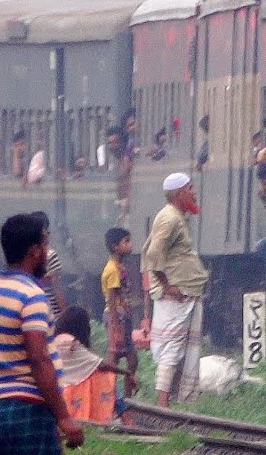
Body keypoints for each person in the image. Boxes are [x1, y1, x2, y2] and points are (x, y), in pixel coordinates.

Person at [0, 211, 84, 453]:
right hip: (30, 407)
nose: (47, 251)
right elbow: (38, 358)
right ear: (34, 251)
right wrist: (63, 416)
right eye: (45, 244)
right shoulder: (32, 294)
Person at [142, 172, 210, 407]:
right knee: (172, 349)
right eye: (190, 188)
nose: (194, 192)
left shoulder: (178, 217)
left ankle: (172, 403)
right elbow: (153, 254)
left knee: (182, 349)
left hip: (186, 292)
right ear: (180, 193)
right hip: (177, 295)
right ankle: (162, 405)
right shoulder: (169, 218)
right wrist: (167, 285)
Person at [54, 306, 138, 424]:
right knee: (106, 377)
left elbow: (91, 361)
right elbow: (101, 365)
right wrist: (127, 372)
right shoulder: (70, 343)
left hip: (62, 385)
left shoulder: (56, 339)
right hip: (73, 387)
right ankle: (126, 417)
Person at [101, 227, 138, 400]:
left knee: (132, 358)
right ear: (115, 246)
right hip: (117, 317)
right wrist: (115, 325)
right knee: (115, 356)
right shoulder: (112, 270)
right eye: (126, 241)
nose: (130, 245)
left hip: (123, 316)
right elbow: (112, 298)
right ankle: (111, 397)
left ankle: (126, 400)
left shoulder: (119, 266)